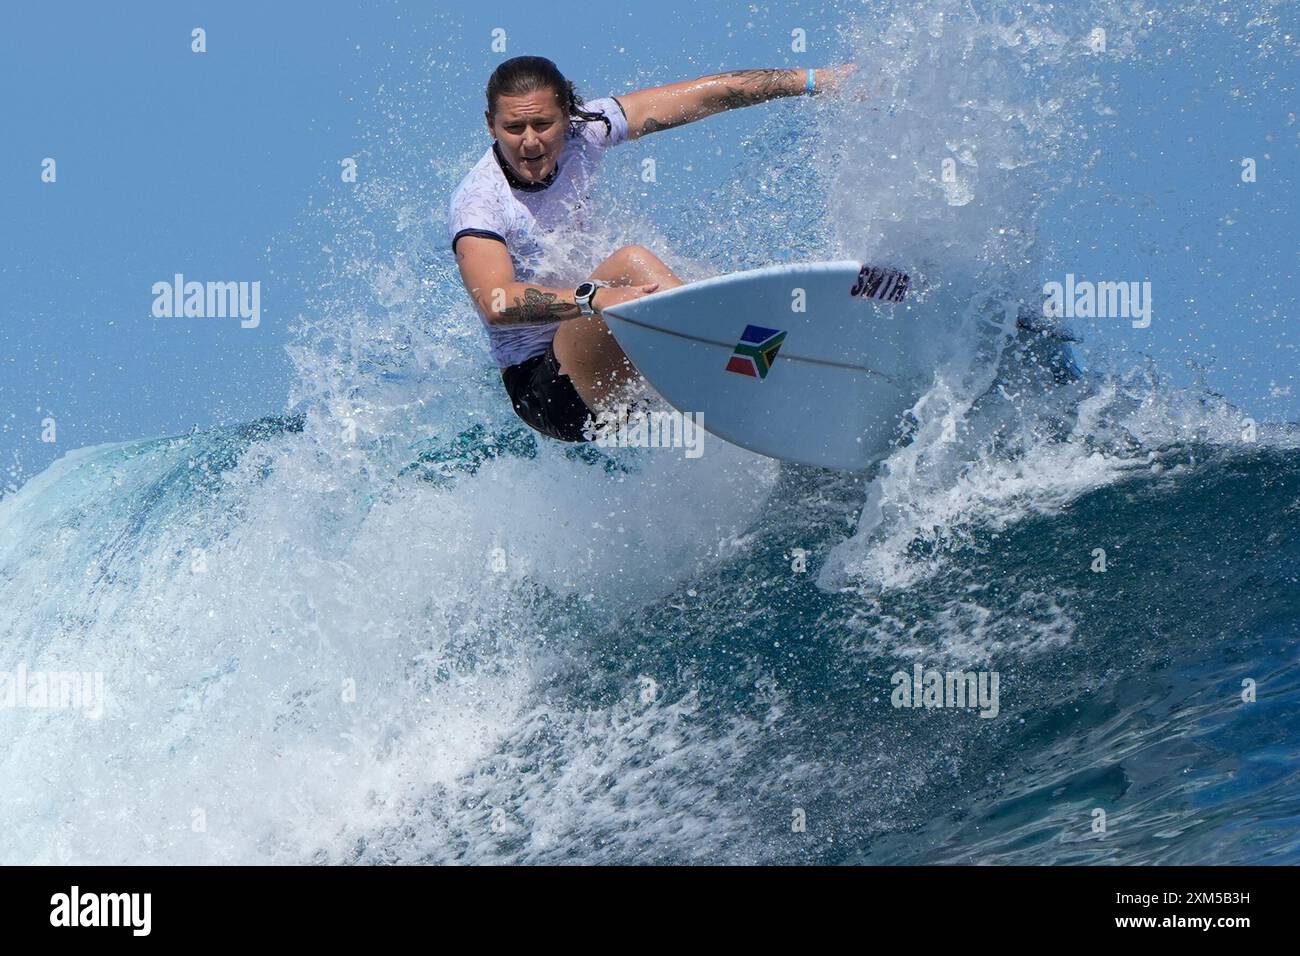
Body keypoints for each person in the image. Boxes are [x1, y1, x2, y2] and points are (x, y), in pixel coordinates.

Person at [449, 55, 858, 442]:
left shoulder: (588, 129)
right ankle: (759, 373)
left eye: (543, 124)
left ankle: (786, 366)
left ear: (568, 118)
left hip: (617, 369)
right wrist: (597, 299)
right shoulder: (480, 202)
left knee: (701, 283)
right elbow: (496, 303)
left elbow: (705, 94)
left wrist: (814, 81)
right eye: (513, 129)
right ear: (491, 125)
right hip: (549, 393)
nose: (530, 142)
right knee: (631, 263)